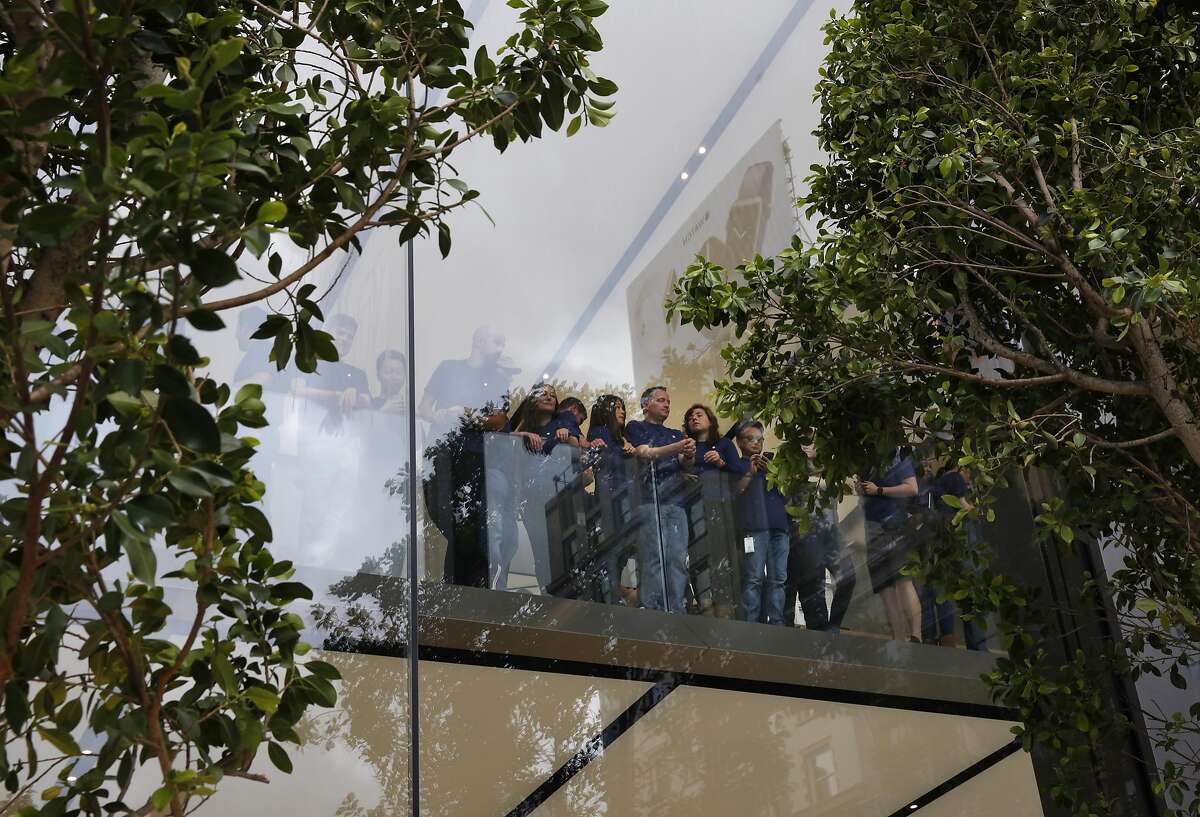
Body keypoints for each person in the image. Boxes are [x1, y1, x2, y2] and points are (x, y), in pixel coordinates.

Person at [417, 326, 519, 588]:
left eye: (503, 343)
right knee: (453, 523)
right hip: (441, 455)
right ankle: (457, 589)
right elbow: (424, 408)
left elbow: (499, 419)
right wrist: (438, 415)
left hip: (476, 461)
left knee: (472, 528)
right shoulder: (448, 368)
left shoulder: (497, 380)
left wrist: (467, 413)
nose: (501, 348)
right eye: (497, 341)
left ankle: (466, 591)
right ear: (479, 340)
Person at [624, 386, 696, 613]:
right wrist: (679, 447)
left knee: (677, 558)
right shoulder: (635, 427)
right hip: (648, 501)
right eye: (661, 400)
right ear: (646, 405)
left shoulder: (675, 433)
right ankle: (653, 609)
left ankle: (676, 608)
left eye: (668, 401)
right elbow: (646, 454)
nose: (667, 405)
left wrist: (689, 453)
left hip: (676, 502)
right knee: (653, 557)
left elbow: (685, 464)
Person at [916, 459, 987, 650]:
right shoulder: (955, 478)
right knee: (970, 598)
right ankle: (972, 645)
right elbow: (966, 507)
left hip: (941, 546)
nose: (970, 480)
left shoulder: (935, 486)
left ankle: (934, 637)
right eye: (970, 475)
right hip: (961, 544)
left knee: (937, 593)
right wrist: (979, 511)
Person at [786, 443, 857, 633]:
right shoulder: (793, 473)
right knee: (813, 591)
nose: (810, 448)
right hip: (806, 532)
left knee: (848, 578)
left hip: (832, 531)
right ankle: (822, 636)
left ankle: (832, 628)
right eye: (805, 445)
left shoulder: (831, 473)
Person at [684, 405, 744, 618]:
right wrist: (683, 475)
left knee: (721, 552)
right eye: (691, 416)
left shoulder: (724, 444)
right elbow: (677, 470)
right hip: (694, 507)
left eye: (699, 415)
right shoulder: (686, 446)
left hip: (720, 506)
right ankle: (705, 600)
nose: (694, 418)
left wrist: (721, 462)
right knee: (699, 554)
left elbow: (739, 472)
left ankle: (724, 601)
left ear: (711, 420)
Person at [857, 446, 922, 642]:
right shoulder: (866, 459)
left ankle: (915, 636)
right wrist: (864, 490)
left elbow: (912, 487)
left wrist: (880, 490)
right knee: (885, 588)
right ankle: (899, 638)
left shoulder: (895, 454)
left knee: (903, 581)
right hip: (874, 526)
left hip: (893, 524)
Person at [731, 421, 789, 625]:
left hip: (779, 527)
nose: (756, 443)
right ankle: (751, 624)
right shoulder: (736, 464)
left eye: (760, 439)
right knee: (753, 578)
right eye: (750, 439)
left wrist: (772, 471)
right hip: (753, 528)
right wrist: (750, 472)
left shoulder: (775, 464)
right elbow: (733, 494)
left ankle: (777, 623)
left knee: (778, 579)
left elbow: (788, 493)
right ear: (739, 442)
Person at [587, 395, 638, 605]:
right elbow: (610, 459)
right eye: (617, 407)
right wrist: (626, 449)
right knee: (619, 546)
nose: (622, 411)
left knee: (623, 548)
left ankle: (618, 591)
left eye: (623, 407)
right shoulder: (600, 432)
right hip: (613, 496)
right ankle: (615, 593)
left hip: (621, 496)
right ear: (605, 412)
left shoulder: (621, 436)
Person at [372, 349, 407, 414]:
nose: (394, 377)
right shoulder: (370, 405)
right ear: (378, 376)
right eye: (388, 371)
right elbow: (364, 423)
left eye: (399, 372)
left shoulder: (409, 408)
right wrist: (383, 412)